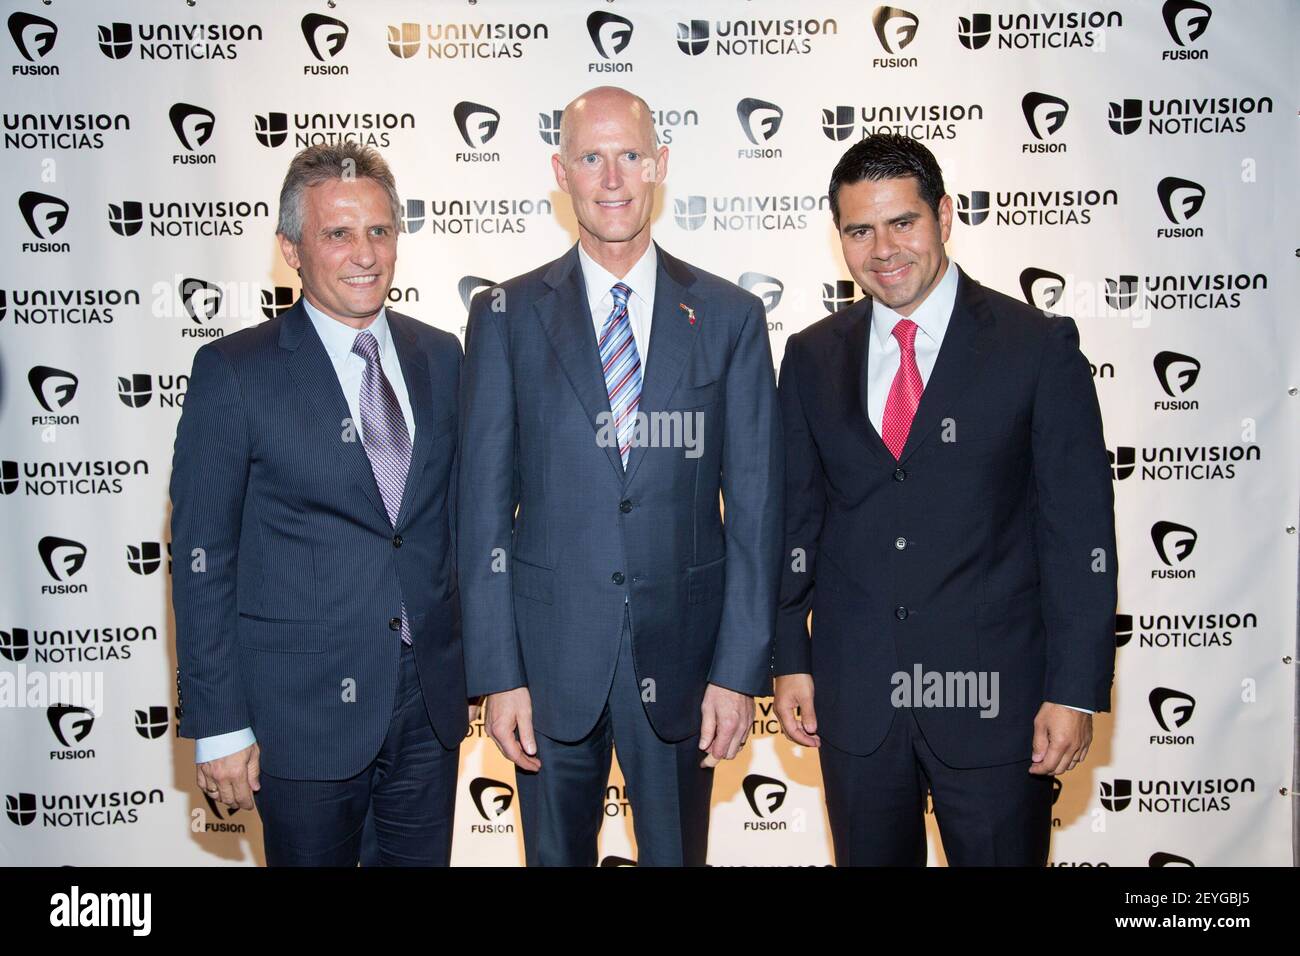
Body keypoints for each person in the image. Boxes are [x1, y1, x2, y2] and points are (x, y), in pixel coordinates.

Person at [457, 86, 782, 866]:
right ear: (560, 172)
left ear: (660, 165)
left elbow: (759, 512)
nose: (612, 179)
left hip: (686, 665)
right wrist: (499, 674)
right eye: (591, 158)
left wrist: (738, 673)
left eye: (630, 156)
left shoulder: (731, 317)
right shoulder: (503, 317)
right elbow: (480, 510)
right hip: (546, 664)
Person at [773, 133, 1116, 866]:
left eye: (903, 222)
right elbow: (794, 521)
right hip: (857, 698)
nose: (883, 249)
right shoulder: (810, 355)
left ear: (946, 216)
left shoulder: (1036, 346)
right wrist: (789, 658)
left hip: (999, 705)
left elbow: (1078, 531)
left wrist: (1075, 691)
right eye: (859, 230)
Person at [170, 142, 472, 866]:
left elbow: (450, 527)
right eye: (338, 234)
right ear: (291, 249)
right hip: (298, 712)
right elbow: (202, 560)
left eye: (379, 231)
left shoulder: (442, 356)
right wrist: (220, 725)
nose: (365, 254)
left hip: (427, 705)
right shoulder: (234, 373)